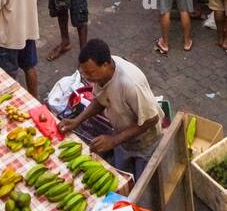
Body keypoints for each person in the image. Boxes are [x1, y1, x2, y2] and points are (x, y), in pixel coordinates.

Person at [58, 38, 162, 180]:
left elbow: (151, 119)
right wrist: (77, 120)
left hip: (145, 142)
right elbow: (100, 100)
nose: (87, 78)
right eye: (84, 73)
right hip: (122, 137)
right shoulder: (102, 75)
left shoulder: (130, 85)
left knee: (143, 183)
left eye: (90, 73)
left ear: (105, 65)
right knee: (121, 177)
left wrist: (114, 140)